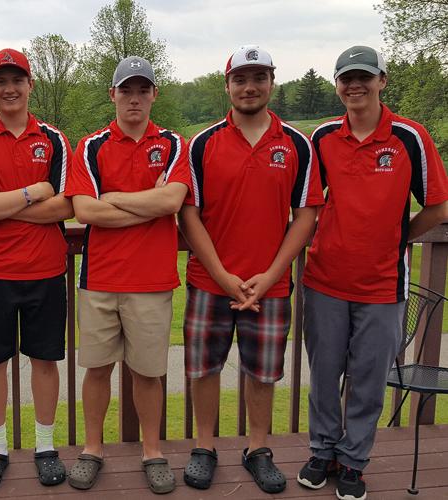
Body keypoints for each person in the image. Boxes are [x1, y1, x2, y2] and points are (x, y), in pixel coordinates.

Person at [298, 46, 448, 500]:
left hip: (384, 284)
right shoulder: (323, 136)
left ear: (382, 80)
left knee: (367, 380)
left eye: (364, 77)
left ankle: (353, 461)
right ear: (337, 85)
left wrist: (400, 236)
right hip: (324, 278)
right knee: (324, 374)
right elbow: (307, 201)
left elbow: (437, 204)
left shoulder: (410, 136)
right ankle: (322, 450)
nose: (354, 86)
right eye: (346, 78)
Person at [178, 45, 323, 494]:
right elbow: (188, 213)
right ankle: (204, 446)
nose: (249, 86)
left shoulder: (296, 143)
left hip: (272, 284)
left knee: (263, 372)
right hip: (210, 281)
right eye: (241, 78)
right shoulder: (202, 142)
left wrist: (273, 271)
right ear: (228, 86)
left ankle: (257, 449)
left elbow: (306, 213)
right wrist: (222, 275)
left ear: (272, 83)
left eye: (258, 77)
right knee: (203, 368)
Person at [65, 56, 190, 495]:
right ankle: (93, 449)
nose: (134, 98)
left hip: (152, 280)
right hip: (100, 278)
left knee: (149, 373)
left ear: (155, 94)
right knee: (97, 369)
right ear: (112, 95)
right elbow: (84, 210)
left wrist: (114, 199)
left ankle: (152, 451)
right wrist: (145, 201)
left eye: (142, 90)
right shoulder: (91, 146)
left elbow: (171, 202)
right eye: (126, 90)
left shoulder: (174, 144)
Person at [0, 48, 73, 488]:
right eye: (0, 81)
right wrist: (31, 193)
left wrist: (0, 207)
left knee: (45, 361)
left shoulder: (55, 140)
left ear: (30, 85)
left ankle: (45, 446)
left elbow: (66, 203)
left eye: (17, 80)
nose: (9, 89)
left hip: (45, 269)